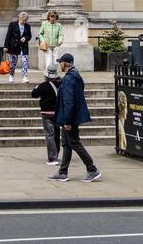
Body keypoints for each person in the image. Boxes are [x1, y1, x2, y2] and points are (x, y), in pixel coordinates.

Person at [50, 53, 101, 183]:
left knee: (74, 143)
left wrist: (67, 120)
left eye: (60, 62)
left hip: (69, 118)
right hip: (73, 116)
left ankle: (92, 169)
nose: (59, 64)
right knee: (67, 144)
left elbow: (69, 101)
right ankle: (63, 172)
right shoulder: (76, 76)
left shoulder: (68, 79)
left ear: (65, 64)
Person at [31, 63, 63, 165]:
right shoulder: (61, 84)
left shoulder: (43, 85)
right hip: (58, 113)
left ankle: (52, 158)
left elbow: (34, 94)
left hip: (46, 113)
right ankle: (56, 153)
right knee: (56, 134)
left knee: (49, 135)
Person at [3, 11, 32, 83]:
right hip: (14, 45)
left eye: (26, 20)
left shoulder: (27, 26)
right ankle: (11, 76)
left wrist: (25, 38)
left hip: (24, 46)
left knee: (25, 61)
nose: (24, 22)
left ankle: (24, 77)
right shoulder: (12, 24)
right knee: (13, 62)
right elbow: (8, 36)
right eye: (23, 20)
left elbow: (29, 36)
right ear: (20, 18)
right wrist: (5, 46)